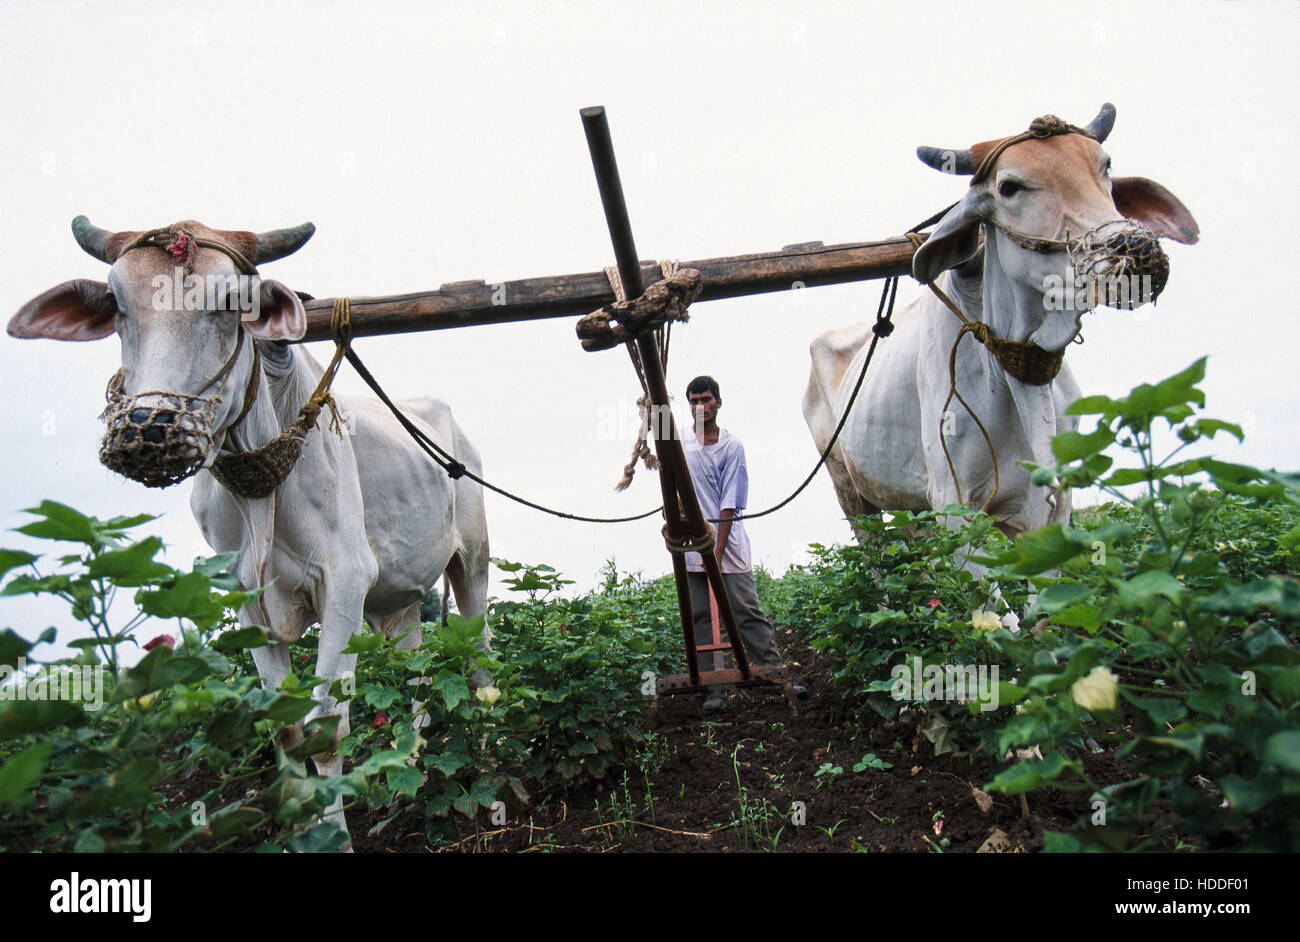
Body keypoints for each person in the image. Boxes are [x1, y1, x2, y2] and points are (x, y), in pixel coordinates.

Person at [681, 375, 802, 710]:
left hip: (727, 546)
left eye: (705, 399)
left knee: (745, 610)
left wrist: (716, 552)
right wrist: (650, 409)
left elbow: (729, 504)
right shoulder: (680, 444)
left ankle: (774, 673)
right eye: (693, 400)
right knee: (701, 615)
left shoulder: (731, 446)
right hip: (691, 547)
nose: (699, 406)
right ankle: (712, 687)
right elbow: (659, 447)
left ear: (718, 402)